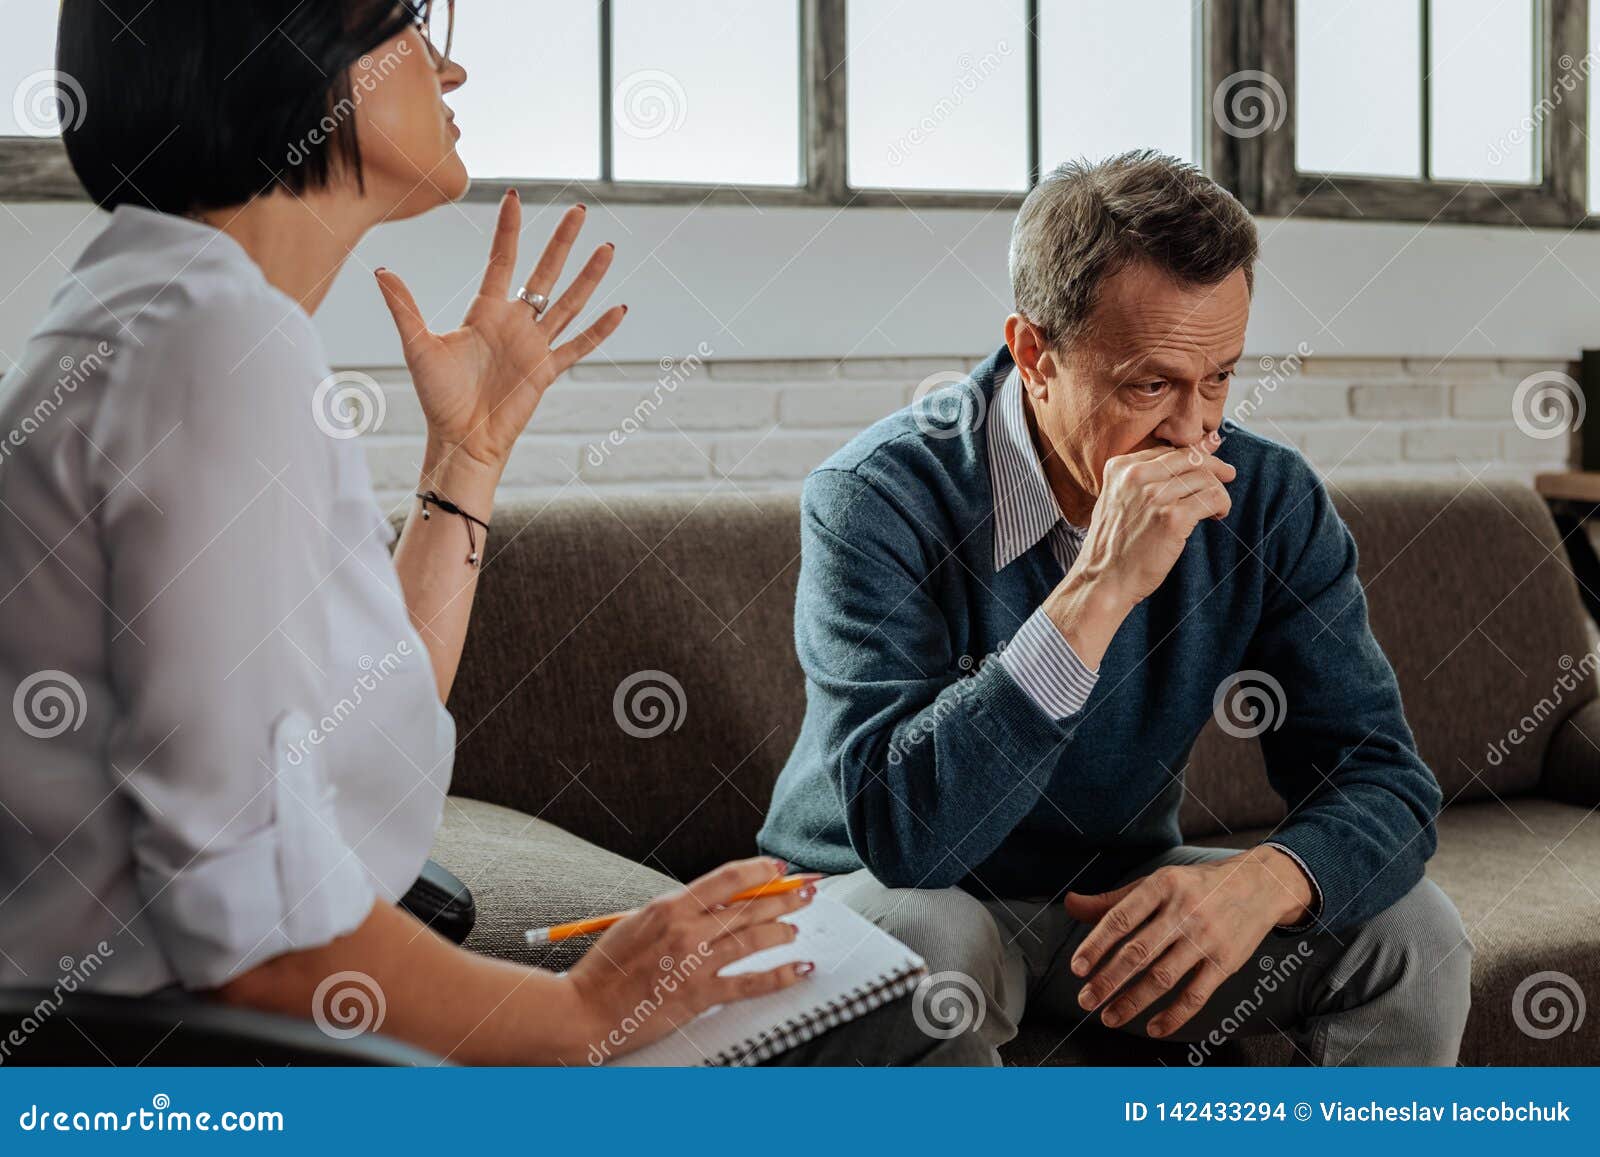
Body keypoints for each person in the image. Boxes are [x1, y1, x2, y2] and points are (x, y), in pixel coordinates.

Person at [0, 0, 959, 1066]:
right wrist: (587, 1008)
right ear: (303, 60)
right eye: (413, 25)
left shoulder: (156, 315)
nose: (449, 71)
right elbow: (254, 939)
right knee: (906, 1018)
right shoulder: (213, 349)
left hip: (179, 1039)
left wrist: (466, 455)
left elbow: (362, 721)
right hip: (182, 1070)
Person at [758, 150, 1474, 1066]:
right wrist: (1098, 587)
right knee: (933, 943)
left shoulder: (1266, 499)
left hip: (1107, 901)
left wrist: (1268, 879)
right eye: (1150, 385)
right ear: (1035, 356)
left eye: (1219, 377)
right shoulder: (876, 496)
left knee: (1416, 933)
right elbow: (907, 837)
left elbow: (1384, 778)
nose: (1193, 430)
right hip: (876, 888)